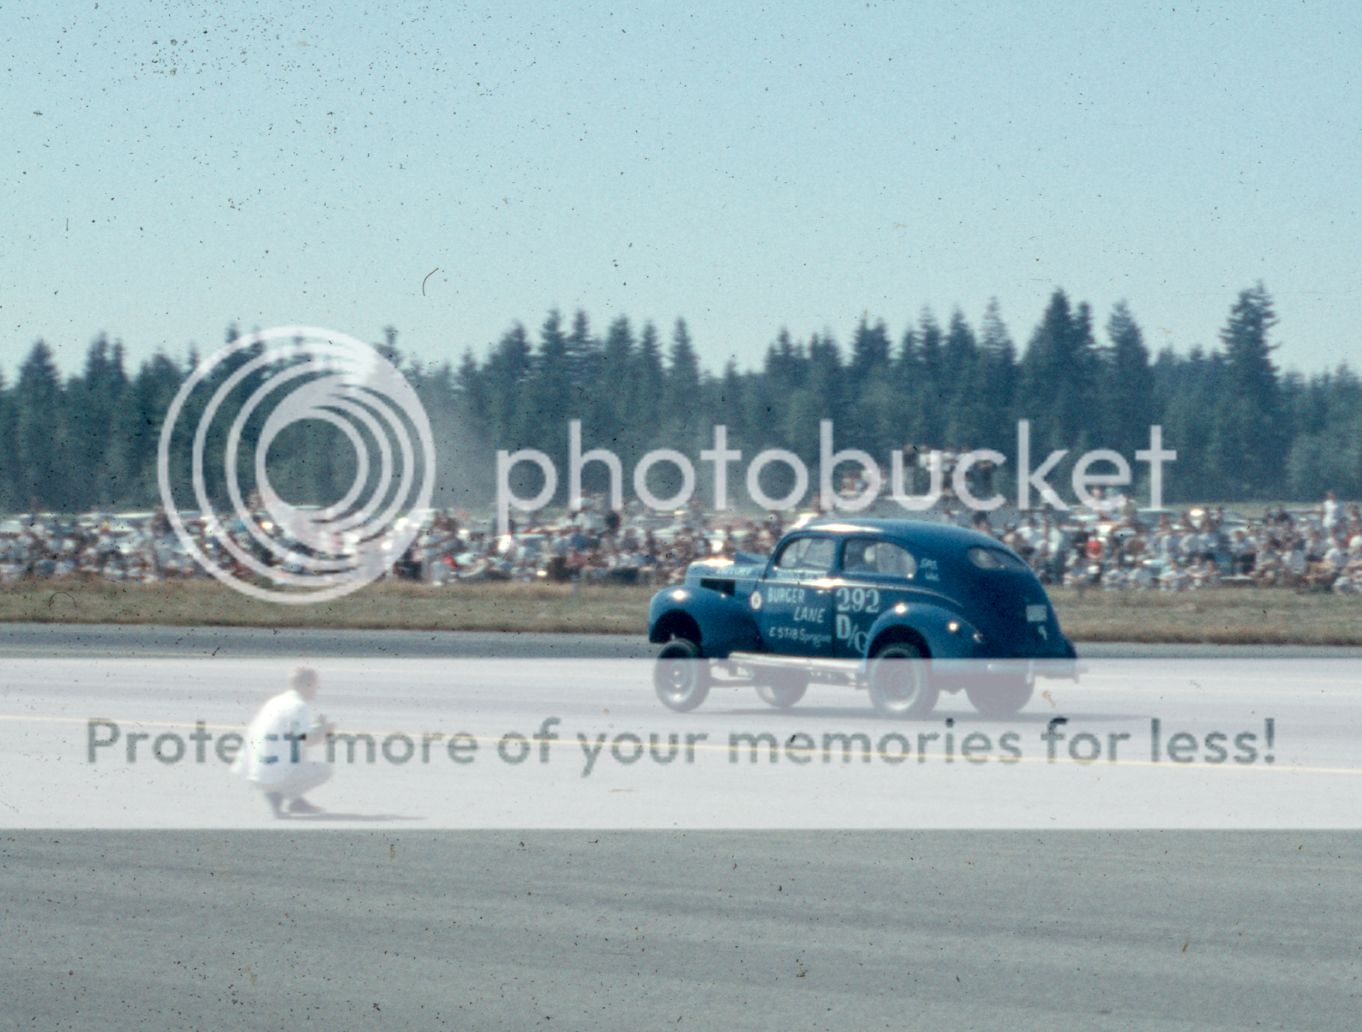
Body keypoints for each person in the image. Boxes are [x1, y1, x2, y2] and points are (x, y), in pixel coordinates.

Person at [233, 667, 335, 817]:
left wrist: (316, 729)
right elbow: (306, 740)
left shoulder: (276, 701)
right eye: (315, 685)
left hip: (254, 772)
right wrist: (326, 732)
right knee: (325, 770)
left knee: (297, 751)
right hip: (271, 776)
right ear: (305, 685)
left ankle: (294, 799)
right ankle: (279, 795)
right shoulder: (299, 706)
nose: (316, 690)